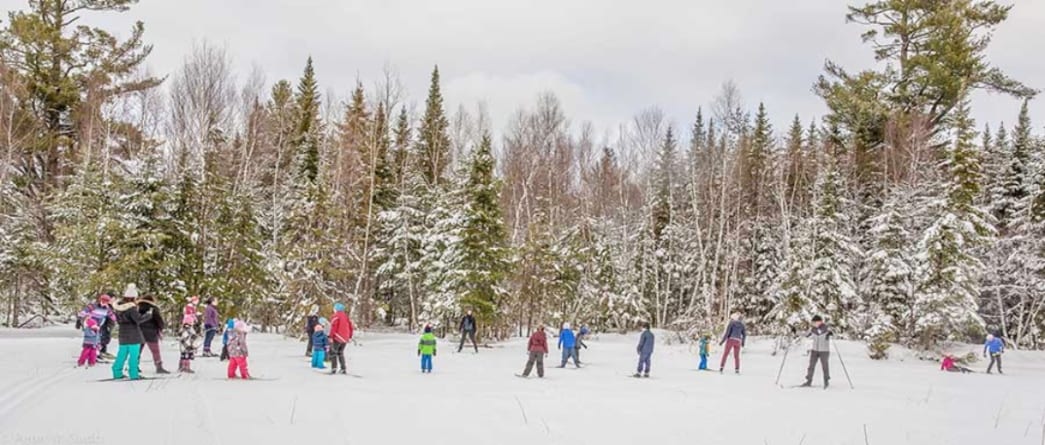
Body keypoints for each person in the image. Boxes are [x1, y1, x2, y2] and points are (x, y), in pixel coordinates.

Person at [111, 284, 153, 380]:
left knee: (122, 355)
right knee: (134, 356)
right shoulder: (131, 307)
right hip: (134, 335)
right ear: (133, 297)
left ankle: (117, 372)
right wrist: (148, 315)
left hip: (123, 335)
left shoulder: (118, 307)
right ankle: (134, 374)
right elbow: (138, 319)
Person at [137, 295, 169, 374]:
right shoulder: (153, 308)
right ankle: (159, 367)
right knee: (155, 351)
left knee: (138, 350)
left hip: (139, 331)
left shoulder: (137, 308)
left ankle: (134, 365)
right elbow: (158, 319)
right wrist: (161, 327)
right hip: (151, 332)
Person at [79, 294, 116, 359]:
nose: (104, 302)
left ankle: (95, 354)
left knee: (97, 341)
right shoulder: (94, 306)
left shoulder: (107, 309)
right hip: (91, 325)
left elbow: (112, 316)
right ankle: (87, 354)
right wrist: (83, 315)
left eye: (106, 301)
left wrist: (115, 318)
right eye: (103, 300)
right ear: (100, 300)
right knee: (90, 340)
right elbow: (84, 311)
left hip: (99, 326)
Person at [800, 315, 832, 388]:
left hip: (824, 350)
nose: (813, 323)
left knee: (825, 366)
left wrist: (830, 334)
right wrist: (795, 331)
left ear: (820, 322)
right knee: (811, 366)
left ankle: (826, 381)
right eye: (813, 322)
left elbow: (834, 334)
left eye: (814, 322)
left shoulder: (826, 329)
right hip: (814, 350)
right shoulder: (813, 330)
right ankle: (809, 381)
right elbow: (805, 335)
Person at [329, 302, 354, 375]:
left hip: (337, 337)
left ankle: (334, 368)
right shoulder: (346, 317)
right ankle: (343, 368)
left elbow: (333, 327)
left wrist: (331, 336)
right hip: (345, 338)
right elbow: (351, 327)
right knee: (341, 353)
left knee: (333, 353)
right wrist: (349, 336)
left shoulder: (336, 316)